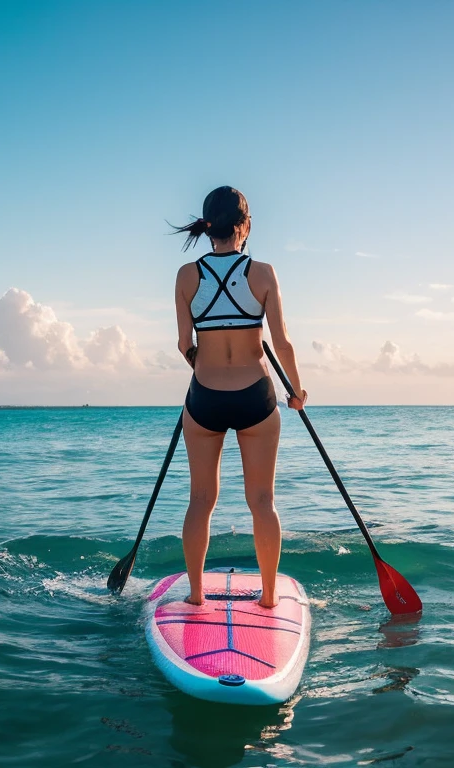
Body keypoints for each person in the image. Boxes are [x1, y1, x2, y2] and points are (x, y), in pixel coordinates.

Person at [172, 186, 307, 609]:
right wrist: (296, 391)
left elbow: (184, 344)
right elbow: (282, 343)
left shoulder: (186, 276)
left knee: (200, 501)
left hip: (204, 398)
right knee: (262, 502)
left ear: (208, 226)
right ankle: (268, 597)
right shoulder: (263, 273)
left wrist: (203, 366)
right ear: (244, 226)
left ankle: (197, 595)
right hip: (255, 397)